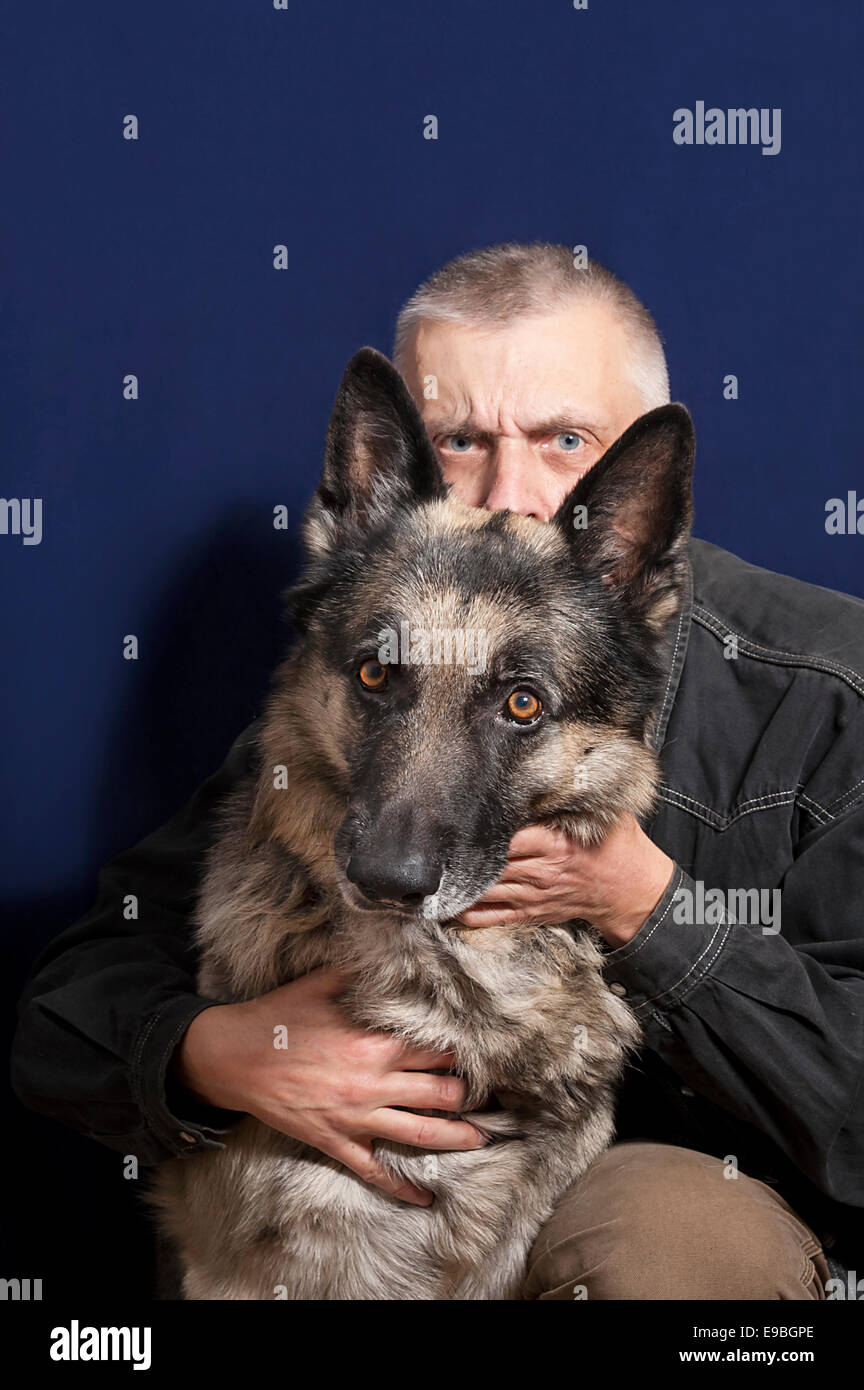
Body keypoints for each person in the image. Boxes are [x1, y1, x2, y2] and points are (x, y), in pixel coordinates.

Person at [13, 244, 864, 1300]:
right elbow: (65, 1007)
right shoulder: (365, 677)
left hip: (652, 1214)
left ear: (640, 525)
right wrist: (221, 1052)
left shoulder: (828, 696)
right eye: (460, 439)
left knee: (674, 1240)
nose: (512, 491)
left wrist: (654, 910)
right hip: (366, 1236)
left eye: (564, 439)